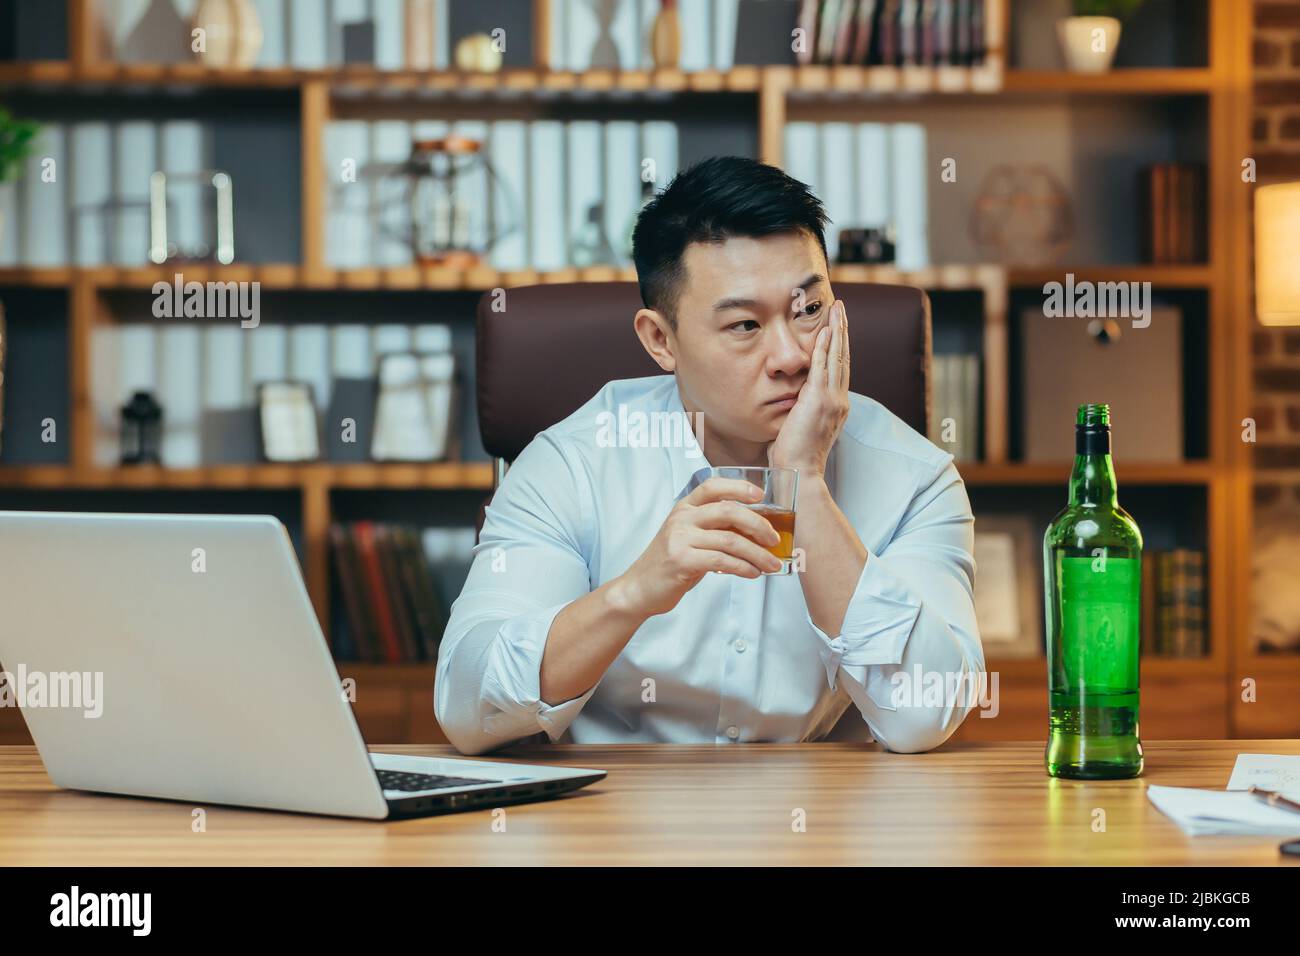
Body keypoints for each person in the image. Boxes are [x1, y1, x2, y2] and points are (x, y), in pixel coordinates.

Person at [435, 156, 983, 754]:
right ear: (660, 341)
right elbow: (468, 707)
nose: (792, 357)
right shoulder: (573, 463)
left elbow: (927, 712)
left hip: (822, 829)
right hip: (612, 827)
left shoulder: (914, 476)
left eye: (809, 311)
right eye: (745, 325)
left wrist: (802, 480)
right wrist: (635, 591)